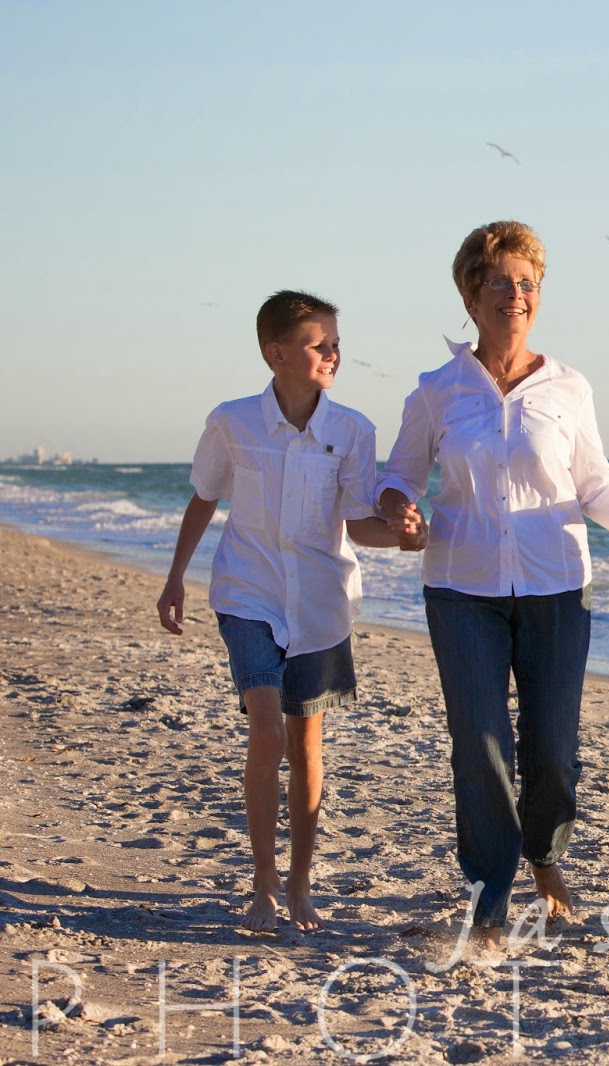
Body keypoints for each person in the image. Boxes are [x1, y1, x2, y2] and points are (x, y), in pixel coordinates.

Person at [376, 221, 609, 946]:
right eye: (500, 281)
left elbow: (595, 486)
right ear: (471, 294)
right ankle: (490, 897)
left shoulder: (568, 387)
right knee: (480, 745)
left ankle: (545, 853)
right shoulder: (437, 392)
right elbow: (397, 477)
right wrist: (399, 512)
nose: (516, 295)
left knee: (554, 751)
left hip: (557, 585)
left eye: (528, 282)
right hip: (461, 586)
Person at [157, 290, 426, 933]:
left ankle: (300, 886)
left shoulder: (353, 430)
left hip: (322, 603)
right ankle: (263, 885)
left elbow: (360, 525)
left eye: (336, 342)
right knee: (267, 729)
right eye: (318, 344)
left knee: (307, 746)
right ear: (276, 353)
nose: (333, 353)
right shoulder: (232, 421)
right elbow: (203, 498)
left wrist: (407, 536)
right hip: (247, 592)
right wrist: (174, 579)